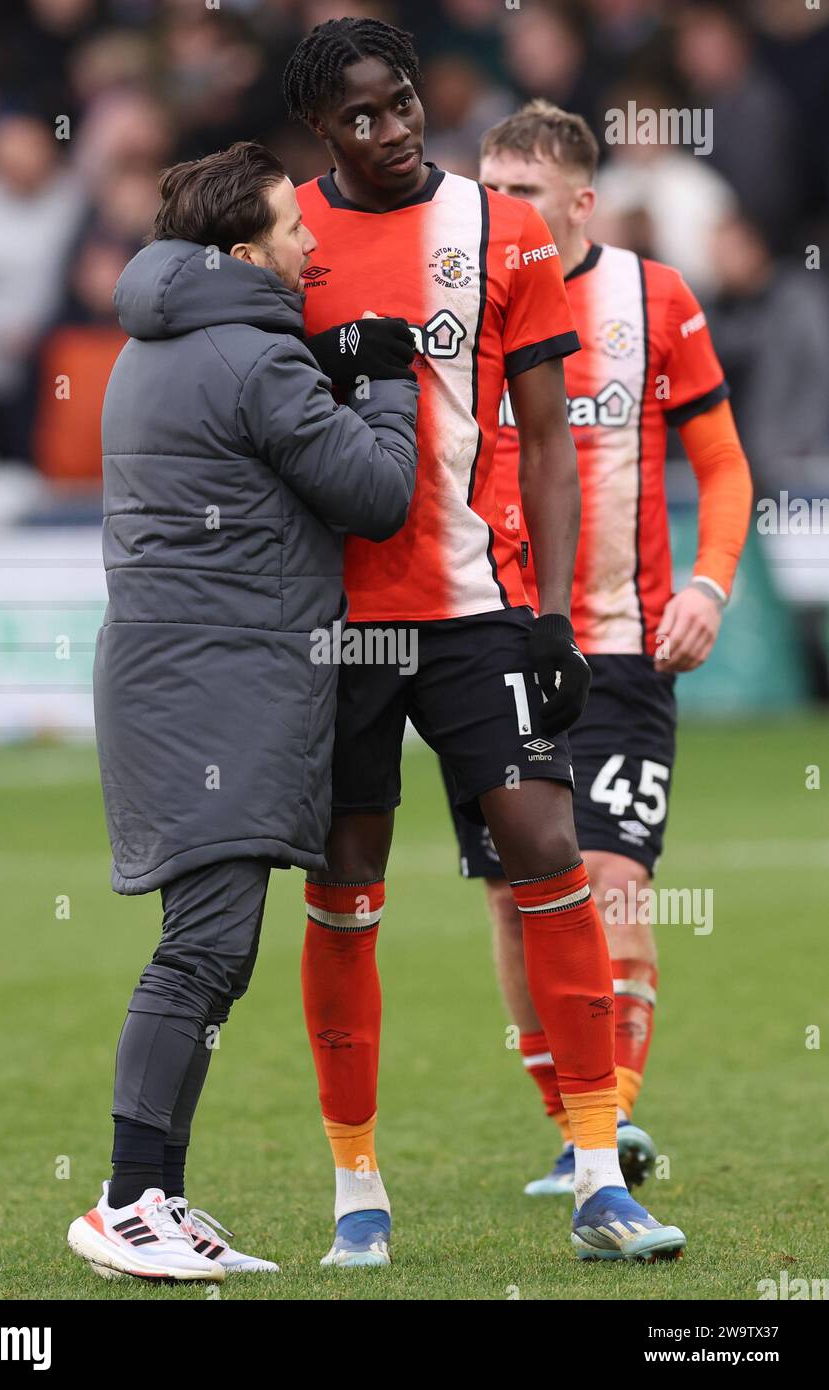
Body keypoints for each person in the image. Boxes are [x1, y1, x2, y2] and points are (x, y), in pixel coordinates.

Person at [284, 17, 685, 1266]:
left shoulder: (500, 230)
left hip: (471, 609)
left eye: (401, 103)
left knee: (542, 849)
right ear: (321, 131)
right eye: (360, 116)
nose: (392, 131)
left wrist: (556, 612)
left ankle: (592, 1176)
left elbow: (548, 434)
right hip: (339, 626)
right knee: (346, 892)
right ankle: (356, 1187)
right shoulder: (281, 239)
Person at [67, 139, 420, 1282]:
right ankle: (126, 1202)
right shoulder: (249, 358)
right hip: (210, 687)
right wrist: (386, 383)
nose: (312, 241)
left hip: (179, 674)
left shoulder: (154, 344)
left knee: (206, 952)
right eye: (292, 226)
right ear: (241, 252)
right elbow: (374, 493)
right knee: (201, 954)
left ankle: (158, 1194)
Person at [444, 100, 752, 1196]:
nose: (499, 210)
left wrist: (709, 584)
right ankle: (568, 1125)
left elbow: (720, 463)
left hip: (618, 648)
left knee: (611, 878)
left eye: (521, 193)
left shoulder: (653, 298)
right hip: (489, 646)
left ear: (579, 201)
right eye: (488, 188)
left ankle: (607, 1127)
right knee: (511, 894)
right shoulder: (461, 299)